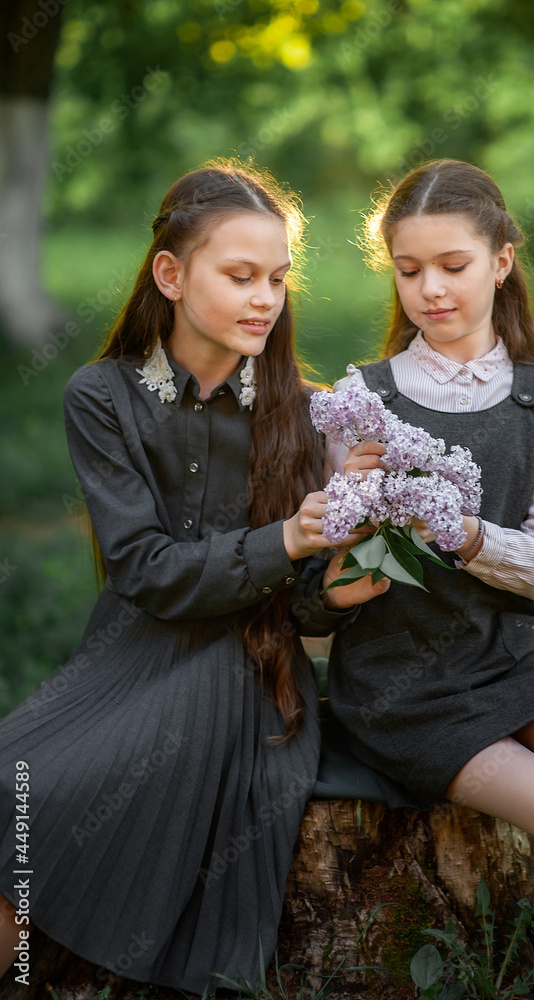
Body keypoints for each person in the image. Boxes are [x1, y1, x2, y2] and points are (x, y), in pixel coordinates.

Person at [0, 159, 388, 992]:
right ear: (171, 276)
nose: (264, 298)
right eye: (241, 275)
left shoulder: (309, 412)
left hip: (243, 671)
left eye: (278, 279)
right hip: (125, 657)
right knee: (13, 786)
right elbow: (145, 570)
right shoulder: (103, 396)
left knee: (51, 795)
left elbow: (308, 605)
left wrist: (344, 581)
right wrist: (285, 540)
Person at [327, 158, 534, 932]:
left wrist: (467, 532)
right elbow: (319, 583)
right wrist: (353, 510)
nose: (430, 291)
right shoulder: (359, 402)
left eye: (453, 266)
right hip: (400, 688)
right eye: (408, 270)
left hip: (507, 658)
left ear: (502, 261)